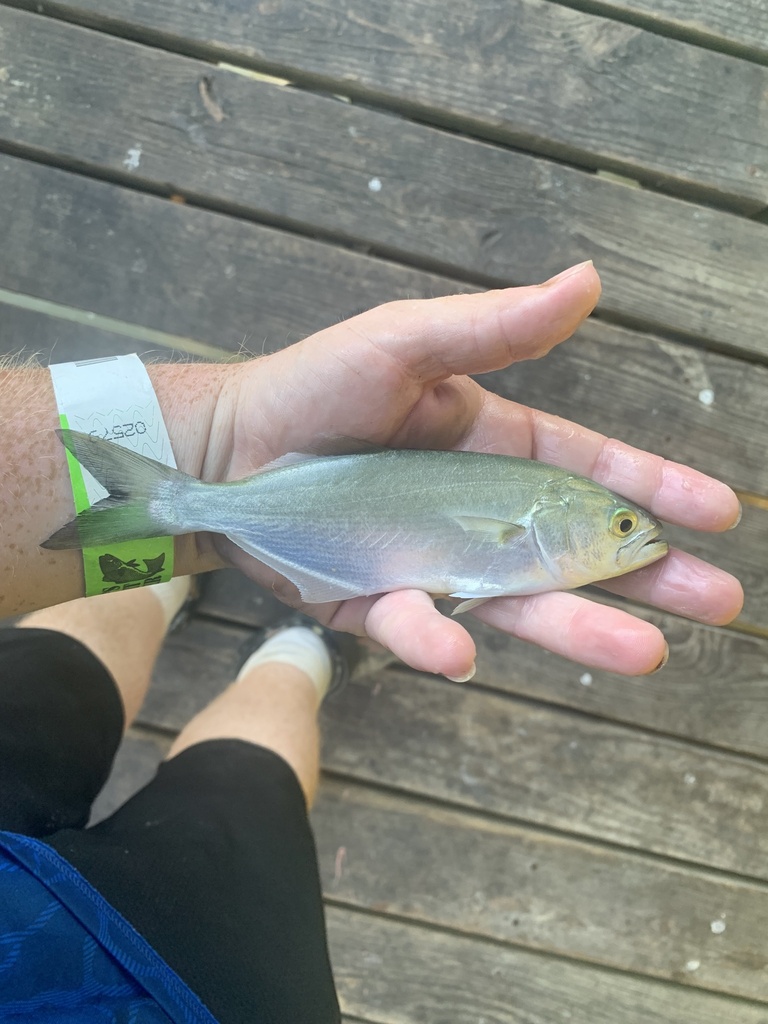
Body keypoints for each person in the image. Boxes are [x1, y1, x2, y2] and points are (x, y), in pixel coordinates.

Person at [0, 264, 743, 1021]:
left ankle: (177, 572)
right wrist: (215, 439)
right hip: (183, 978)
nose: (634, 535)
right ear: (556, 518)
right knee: (217, 777)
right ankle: (286, 648)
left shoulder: (537, 505)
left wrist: (222, 440)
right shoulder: (535, 502)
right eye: (622, 525)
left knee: (42, 683)